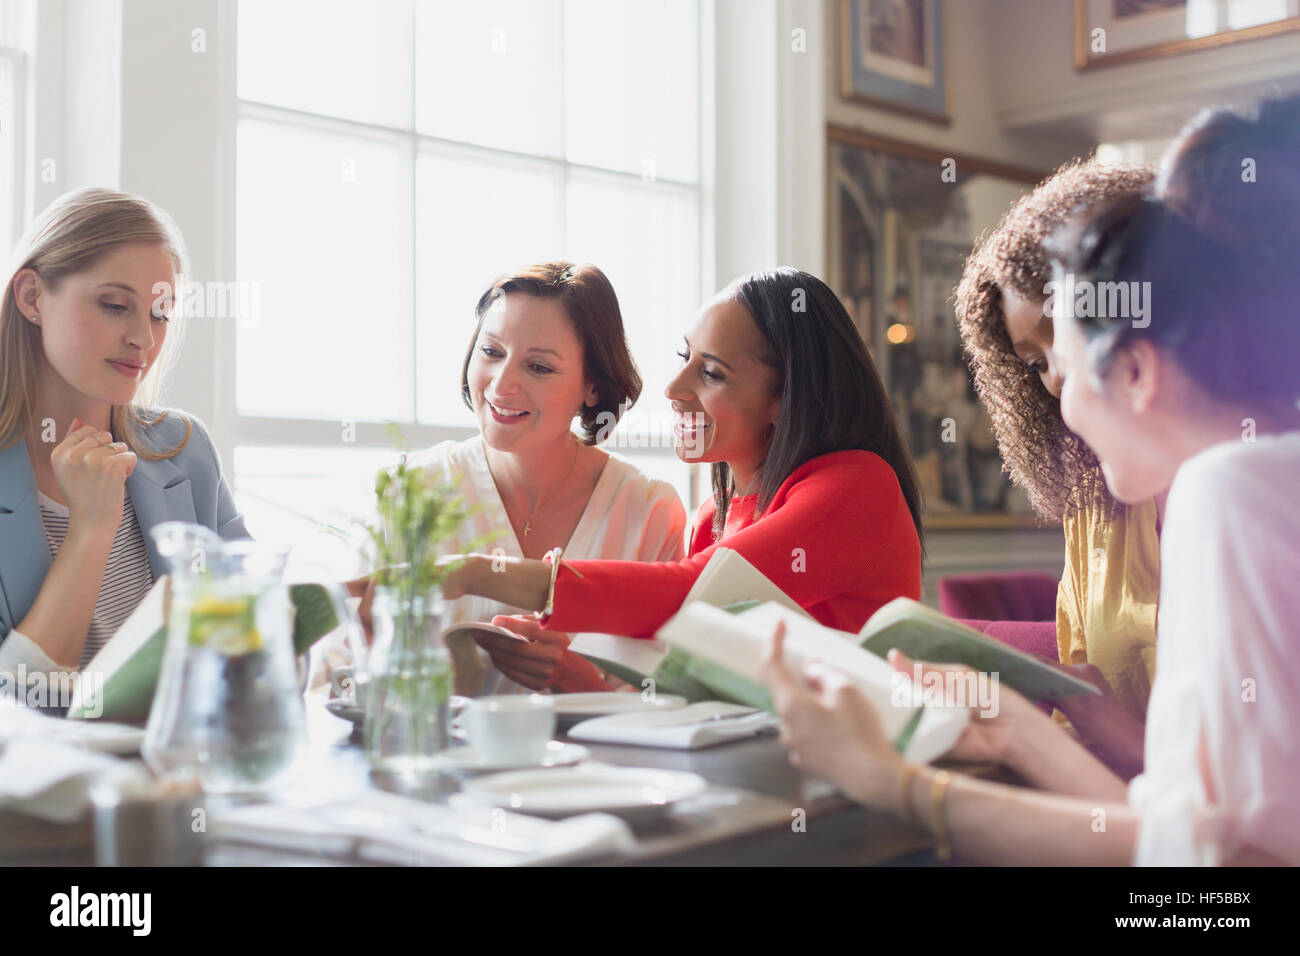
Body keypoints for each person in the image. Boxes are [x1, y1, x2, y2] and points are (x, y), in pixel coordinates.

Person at [764, 94, 1300, 866]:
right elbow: (1189, 836)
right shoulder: (1257, 476)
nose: (1057, 398)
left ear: (1139, 369)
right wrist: (1011, 727)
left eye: (1068, 361)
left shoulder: (1231, 492)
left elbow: (1214, 880)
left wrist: (891, 783)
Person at [433, 267, 925, 691]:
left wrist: (475, 572)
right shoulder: (714, 519)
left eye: (711, 373)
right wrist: (564, 670)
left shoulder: (857, 487)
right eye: (683, 357)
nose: (673, 388)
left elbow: (690, 590)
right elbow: (676, 690)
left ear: (785, 398)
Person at [954, 159, 1158, 779]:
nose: (1056, 377)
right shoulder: (1095, 508)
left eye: (1062, 335)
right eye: (1034, 360)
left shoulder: (1247, 491)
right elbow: (1076, 716)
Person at [399, 262, 687, 694]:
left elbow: (665, 701)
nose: (502, 385)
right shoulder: (413, 489)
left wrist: (577, 680)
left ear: (592, 386)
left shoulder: (648, 511)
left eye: (539, 368)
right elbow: (341, 676)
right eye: (492, 352)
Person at [0, 188, 248, 686]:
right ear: (31, 298)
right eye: (115, 305)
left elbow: (257, 646)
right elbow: (13, 711)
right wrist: (91, 529)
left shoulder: (186, 450)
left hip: (178, 762)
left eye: (160, 313)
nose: (145, 338)